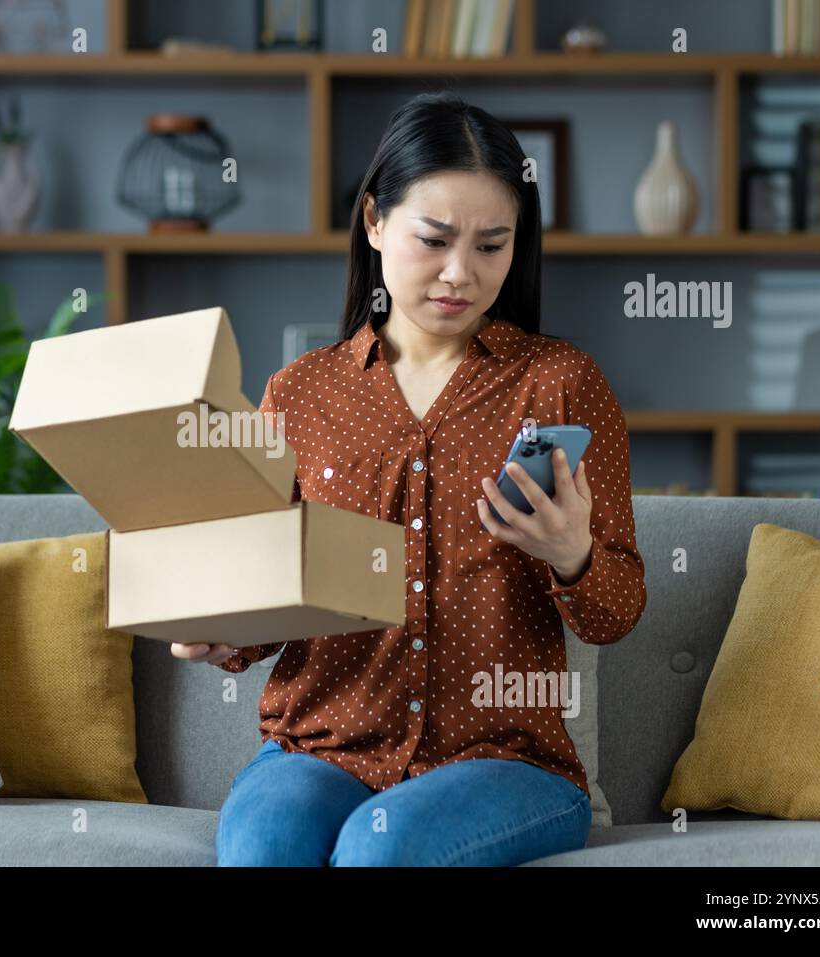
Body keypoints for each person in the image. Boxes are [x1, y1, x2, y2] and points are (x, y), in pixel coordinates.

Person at [171, 90, 647, 866]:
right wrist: (221, 630)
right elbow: (265, 595)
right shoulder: (299, 393)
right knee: (265, 843)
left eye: (492, 245)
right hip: (321, 746)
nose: (461, 273)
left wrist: (572, 555)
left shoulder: (559, 384)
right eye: (435, 239)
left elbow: (617, 612)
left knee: (377, 851)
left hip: (508, 760)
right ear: (374, 221)